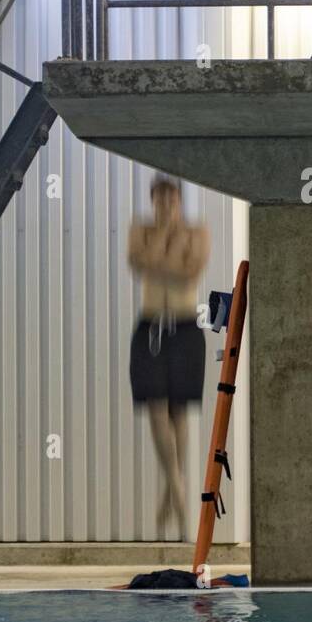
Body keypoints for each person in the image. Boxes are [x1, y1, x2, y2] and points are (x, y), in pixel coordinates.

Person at [126, 176, 211, 540]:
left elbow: (190, 272)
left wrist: (159, 256)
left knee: (180, 410)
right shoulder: (140, 228)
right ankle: (178, 489)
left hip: (185, 325)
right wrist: (162, 239)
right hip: (150, 326)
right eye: (158, 200)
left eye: (170, 200)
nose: (165, 206)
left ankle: (171, 488)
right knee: (155, 406)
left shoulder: (198, 231)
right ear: (152, 201)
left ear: (179, 200)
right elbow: (137, 264)